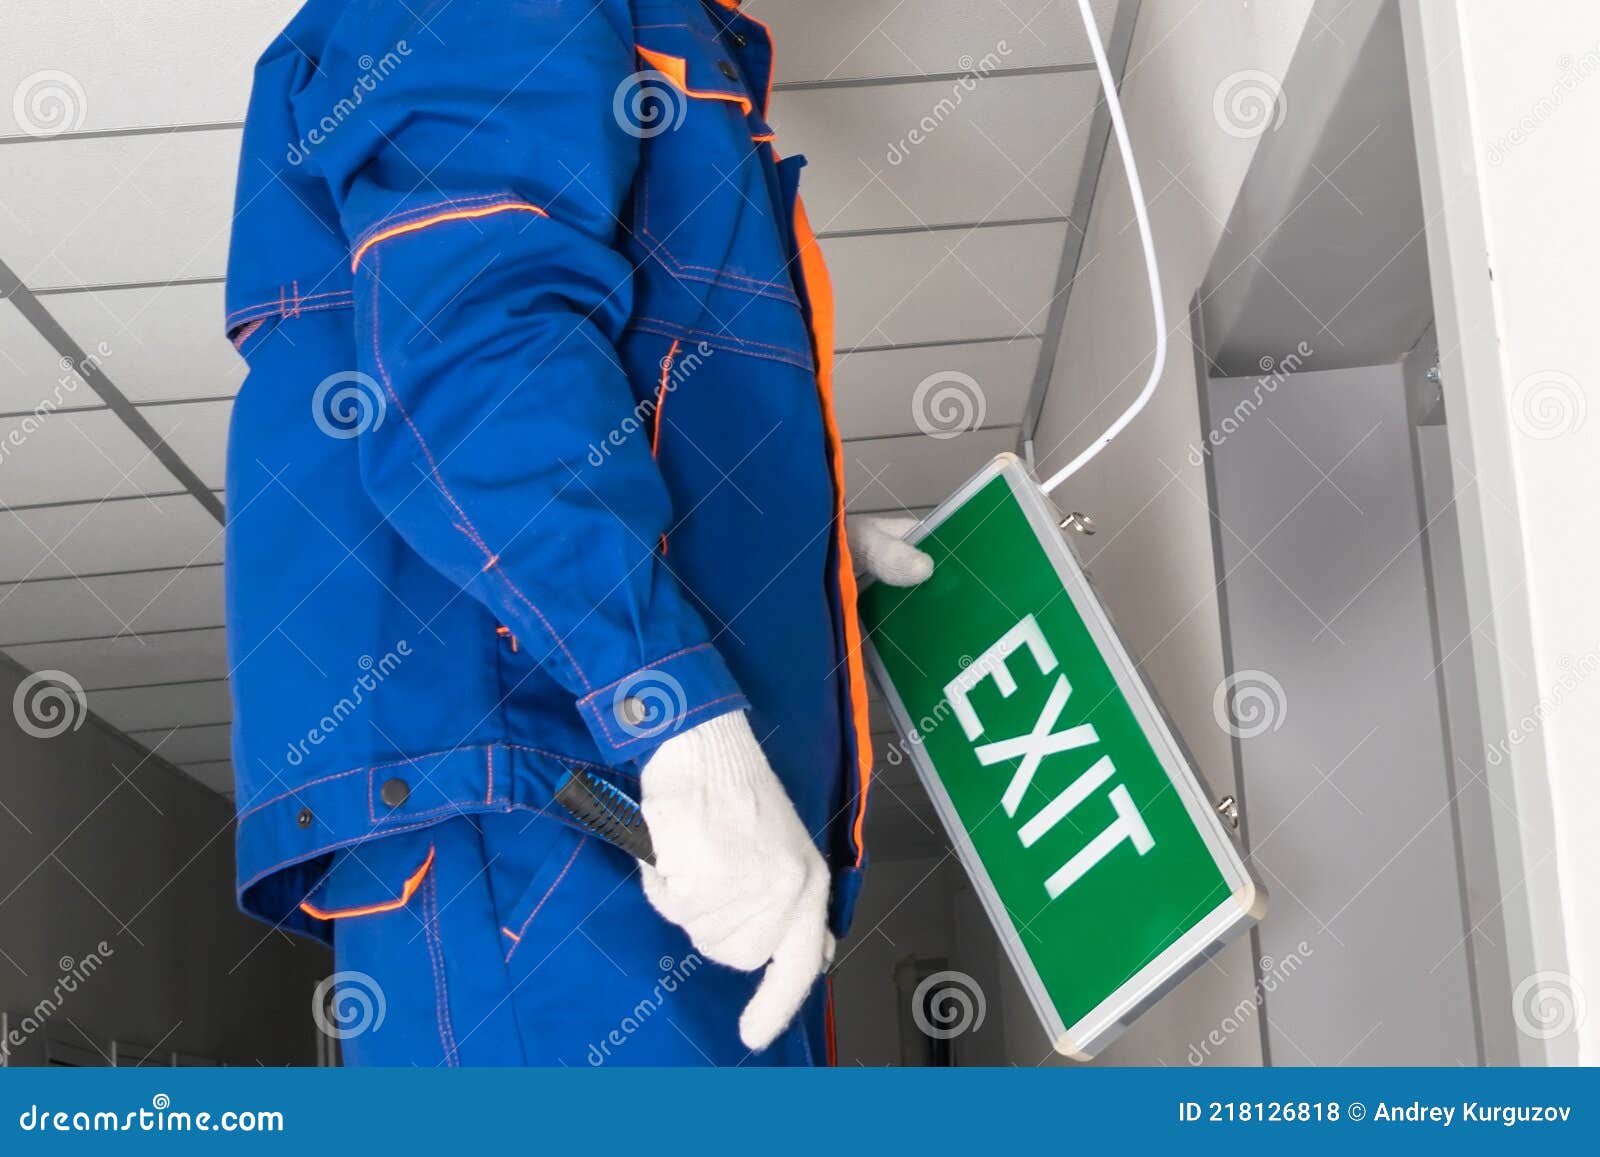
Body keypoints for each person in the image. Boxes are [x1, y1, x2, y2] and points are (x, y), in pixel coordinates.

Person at [223, 0, 930, 1066]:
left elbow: (591, 385)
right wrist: (671, 710)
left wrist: (798, 559)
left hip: (595, 794)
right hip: (555, 796)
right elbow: (471, 356)